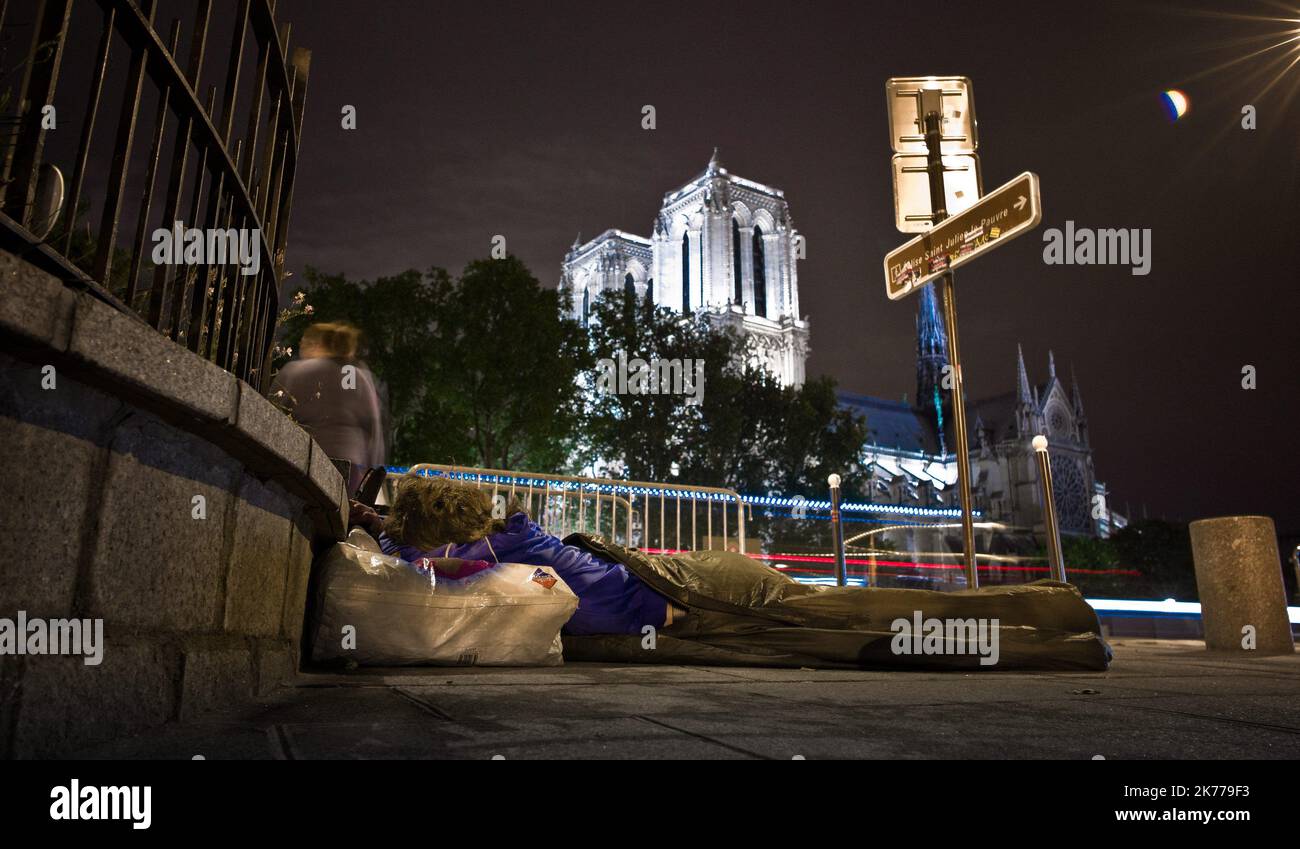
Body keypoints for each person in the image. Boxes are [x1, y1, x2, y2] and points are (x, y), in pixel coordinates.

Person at [348, 476, 1111, 670]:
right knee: (872, 617)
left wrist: (384, 534)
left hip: (713, 593)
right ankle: (1054, 607)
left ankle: (1064, 637)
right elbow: (439, 566)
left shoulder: (509, 554)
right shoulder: (513, 538)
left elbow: (429, 578)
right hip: (709, 578)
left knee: (879, 632)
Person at [272, 322, 385, 494]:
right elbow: (373, 426)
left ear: (319, 343)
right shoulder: (356, 374)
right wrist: (374, 468)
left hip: (304, 457)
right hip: (349, 462)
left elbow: (273, 411)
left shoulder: (295, 371)